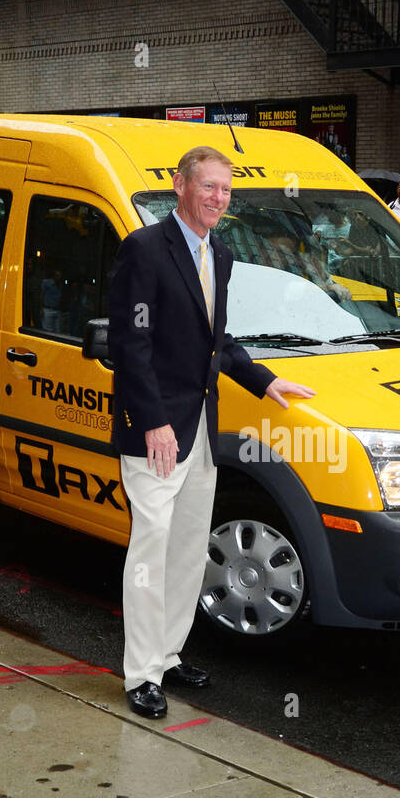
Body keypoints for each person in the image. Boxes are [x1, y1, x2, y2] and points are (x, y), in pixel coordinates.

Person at [107, 145, 315, 720]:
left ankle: (169, 655)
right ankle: (141, 673)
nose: (219, 198)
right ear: (180, 186)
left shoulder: (218, 254)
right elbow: (131, 346)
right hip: (156, 430)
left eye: (225, 190)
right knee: (150, 548)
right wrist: (152, 422)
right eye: (208, 187)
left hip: (200, 425)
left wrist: (264, 380)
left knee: (188, 548)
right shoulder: (144, 250)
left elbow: (215, 340)